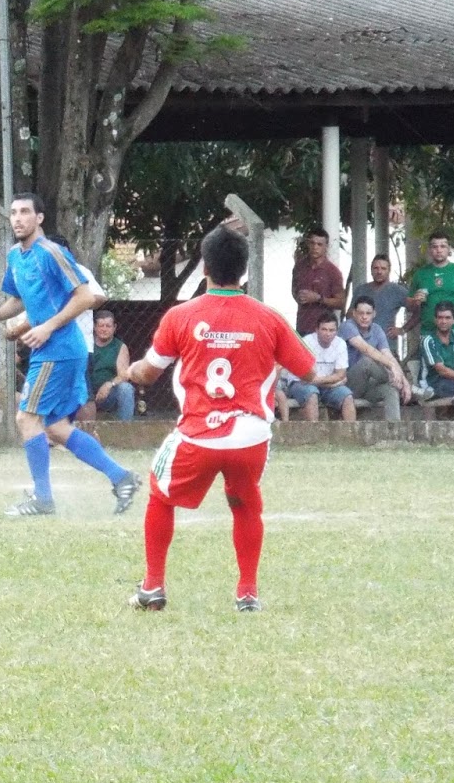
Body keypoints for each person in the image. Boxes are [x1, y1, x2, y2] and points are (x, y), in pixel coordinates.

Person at [124, 225, 320, 611]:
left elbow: (149, 373)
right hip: (251, 436)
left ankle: (152, 586)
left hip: (199, 434)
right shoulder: (269, 317)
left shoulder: (181, 316)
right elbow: (310, 372)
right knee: (246, 504)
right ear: (244, 272)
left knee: (159, 493)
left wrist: (131, 372)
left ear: (205, 271)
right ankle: (247, 593)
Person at [0, 193, 140, 517]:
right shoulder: (17, 257)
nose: (17, 218)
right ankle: (122, 477)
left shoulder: (52, 252)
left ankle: (43, 499)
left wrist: (47, 327)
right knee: (56, 427)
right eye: (14, 213)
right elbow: (18, 300)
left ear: (39, 218)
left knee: (26, 418)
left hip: (59, 350)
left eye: (24, 212)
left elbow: (85, 296)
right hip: (50, 350)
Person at [340, 296, 412, 420]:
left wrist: (405, 383)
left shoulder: (377, 329)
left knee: (390, 390)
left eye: (368, 313)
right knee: (367, 362)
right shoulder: (347, 326)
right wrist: (391, 368)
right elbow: (366, 349)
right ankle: (398, 383)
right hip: (348, 386)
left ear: (374, 314)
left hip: (369, 385)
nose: (364, 317)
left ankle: (395, 433)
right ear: (354, 313)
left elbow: (388, 355)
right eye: (361, 313)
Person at [285, 313, 356, 421]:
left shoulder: (340, 343)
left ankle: (352, 435)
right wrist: (332, 382)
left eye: (332, 330)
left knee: (347, 396)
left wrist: (320, 381)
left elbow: (340, 374)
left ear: (336, 331)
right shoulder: (306, 342)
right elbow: (305, 377)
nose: (328, 333)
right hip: (300, 383)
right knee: (312, 394)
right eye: (324, 329)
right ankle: (314, 435)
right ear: (316, 330)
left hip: (324, 385)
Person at [408, 230, 454, 335]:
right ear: (429, 250)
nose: (439, 250)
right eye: (434, 247)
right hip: (428, 334)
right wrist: (415, 301)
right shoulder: (420, 274)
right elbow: (410, 306)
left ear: (449, 250)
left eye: (443, 246)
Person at [80, 308, 134, 420]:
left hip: (107, 395)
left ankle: (125, 428)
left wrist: (109, 384)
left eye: (108, 326)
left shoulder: (120, 346)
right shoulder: (85, 344)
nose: (104, 329)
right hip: (84, 392)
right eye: (101, 326)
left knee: (126, 388)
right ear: (94, 327)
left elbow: (124, 375)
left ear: (114, 328)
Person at [291, 227, 346, 336]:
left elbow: (341, 302)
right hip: (302, 325)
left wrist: (318, 299)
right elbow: (294, 289)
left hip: (324, 330)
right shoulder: (299, 266)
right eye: (312, 243)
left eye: (319, 244)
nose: (315, 247)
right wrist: (298, 296)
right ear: (308, 244)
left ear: (326, 246)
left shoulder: (333, 271)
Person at [355, 254, 411, 337]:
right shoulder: (361, 290)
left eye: (383, 268)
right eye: (376, 268)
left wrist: (402, 329)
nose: (379, 272)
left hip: (387, 343)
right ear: (371, 270)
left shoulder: (397, 290)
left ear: (389, 270)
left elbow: (418, 310)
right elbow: (350, 313)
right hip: (362, 342)